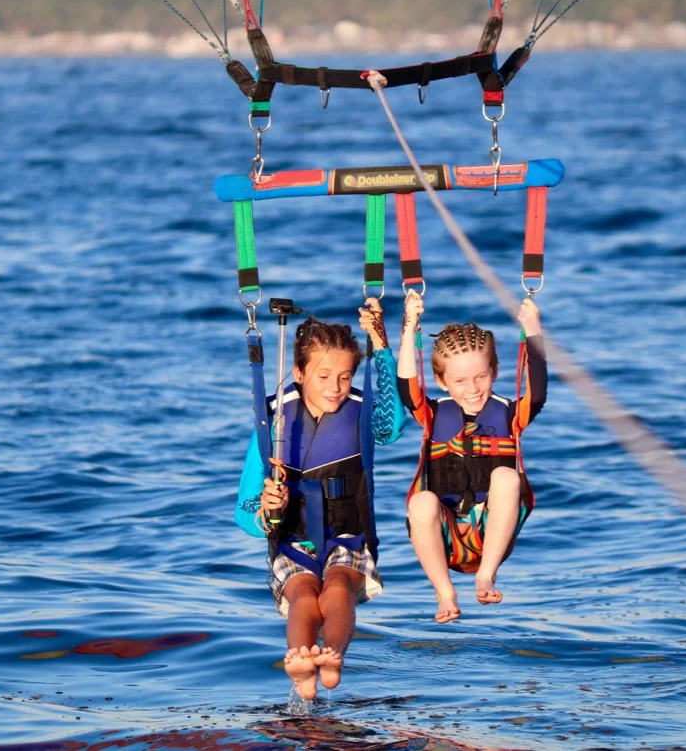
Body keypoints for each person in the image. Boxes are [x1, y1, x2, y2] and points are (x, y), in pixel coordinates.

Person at [234, 298, 404, 700]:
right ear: (299, 372)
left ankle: (332, 655)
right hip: (293, 539)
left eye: (345, 377)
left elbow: (393, 426)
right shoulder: (273, 422)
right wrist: (266, 509)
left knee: (338, 588)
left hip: (350, 534)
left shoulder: (362, 412)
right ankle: (300, 663)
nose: (335, 387)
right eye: (324, 375)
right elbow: (243, 510)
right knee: (303, 594)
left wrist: (381, 346)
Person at [397, 293, 547, 623]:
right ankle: (445, 593)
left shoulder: (509, 415)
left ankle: (486, 577)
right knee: (421, 502)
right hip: (445, 538)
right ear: (440, 381)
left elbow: (537, 393)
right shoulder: (433, 415)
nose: (473, 389)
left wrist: (533, 333)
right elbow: (407, 387)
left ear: (494, 369)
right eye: (460, 381)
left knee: (507, 477)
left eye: (481, 376)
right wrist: (409, 328)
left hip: (492, 533)